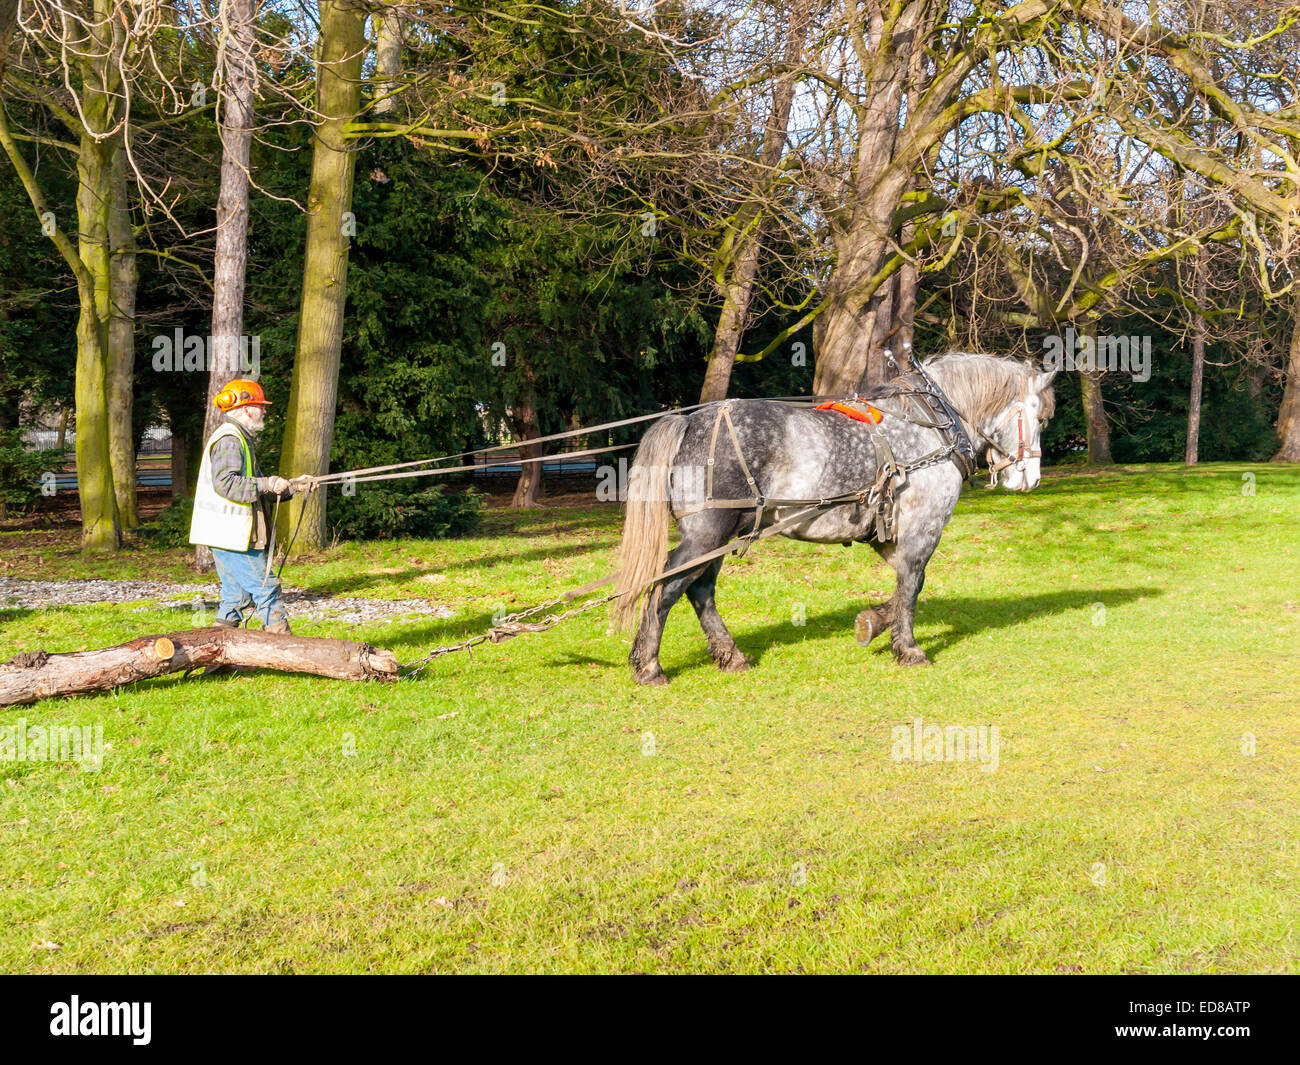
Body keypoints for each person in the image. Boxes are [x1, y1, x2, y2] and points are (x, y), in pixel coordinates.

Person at [188, 378, 317, 635]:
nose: (265, 410)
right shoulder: (230, 439)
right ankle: (286, 650)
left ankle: (217, 654)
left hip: (225, 533)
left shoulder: (240, 438)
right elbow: (226, 483)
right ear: (247, 409)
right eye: (260, 405)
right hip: (232, 534)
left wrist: (295, 486)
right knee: (265, 587)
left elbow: (257, 487)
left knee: (235, 598)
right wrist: (268, 482)